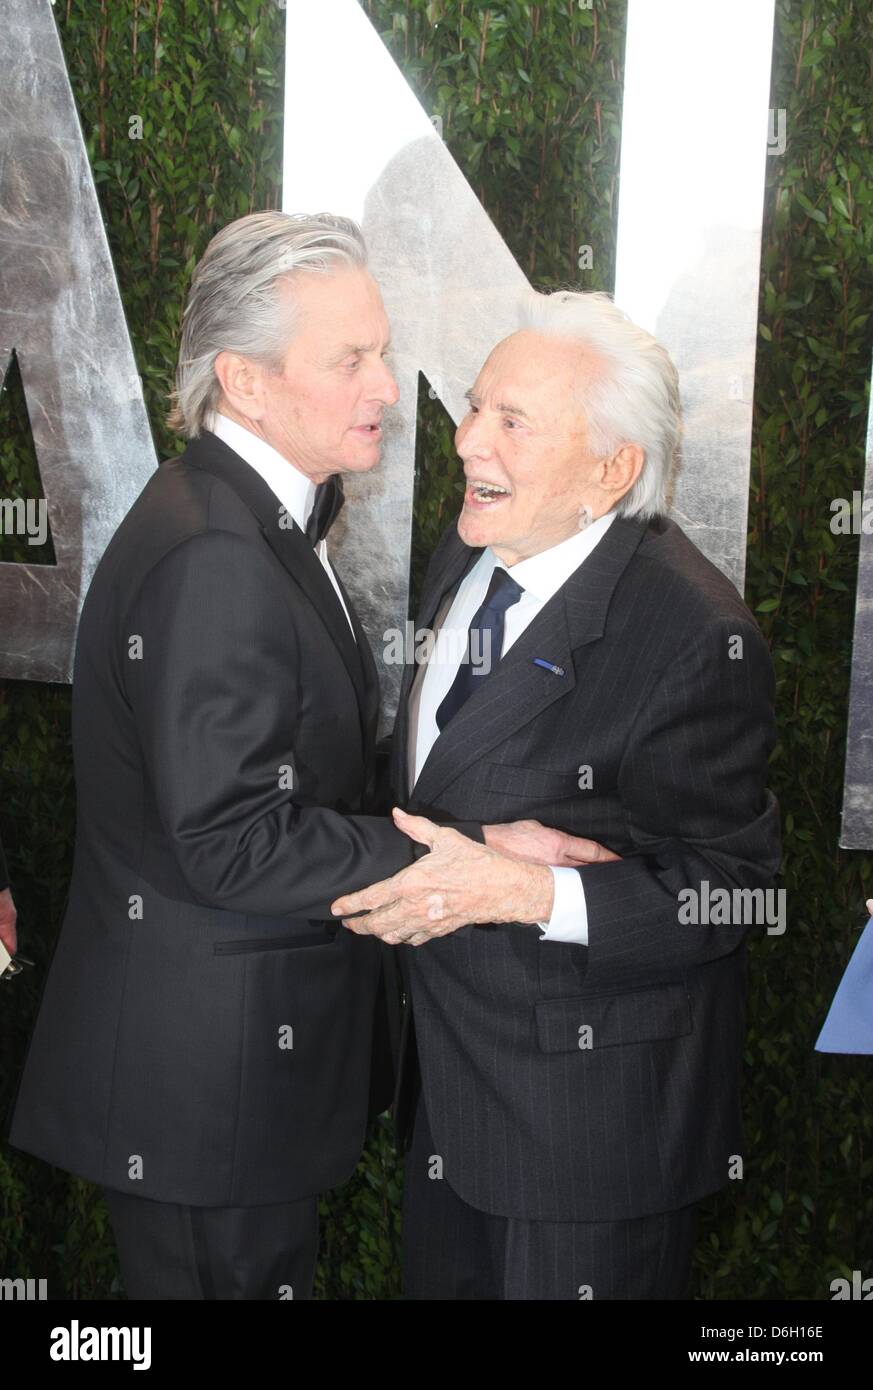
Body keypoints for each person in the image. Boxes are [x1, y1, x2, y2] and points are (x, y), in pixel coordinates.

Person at [7, 212, 585, 1300]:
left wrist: (473, 841)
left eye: (382, 348)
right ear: (247, 380)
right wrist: (459, 864)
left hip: (223, 1093)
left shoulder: (247, 519)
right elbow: (230, 841)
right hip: (204, 1102)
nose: (385, 384)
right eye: (350, 358)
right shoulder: (217, 552)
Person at [333, 289, 782, 1301]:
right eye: (477, 405)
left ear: (611, 471)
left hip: (587, 1147)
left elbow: (736, 887)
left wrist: (532, 893)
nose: (465, 440)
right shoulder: (475, 546)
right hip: (448, 1104)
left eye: (511, 420)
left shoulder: (691, 634)